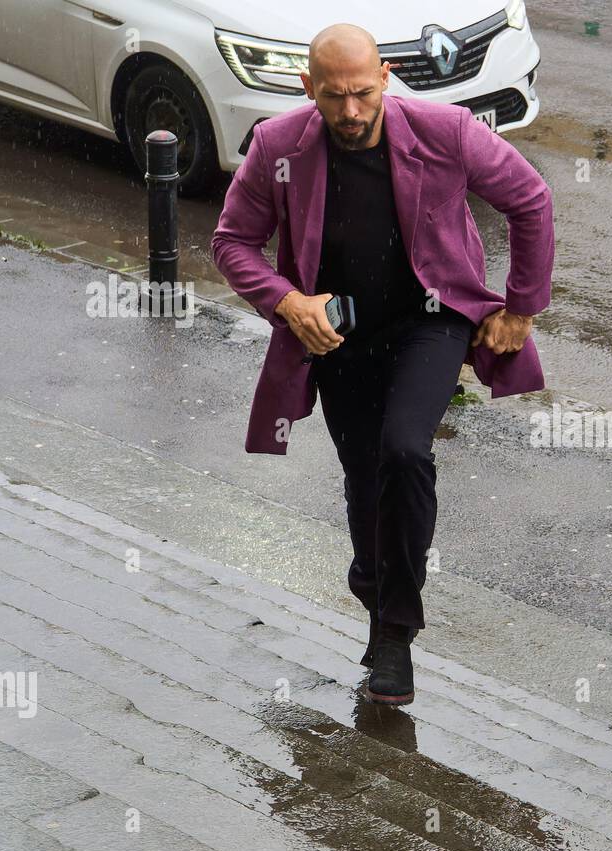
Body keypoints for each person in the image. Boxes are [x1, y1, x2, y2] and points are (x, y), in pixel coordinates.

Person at [212, 24, 553, 706]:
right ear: (308, 88)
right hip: (339, 332)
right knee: (365, 478)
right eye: (334, 97)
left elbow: (530, 200)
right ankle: (376, 592)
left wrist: (520, 306)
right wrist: (286, 301)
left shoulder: (446, 130)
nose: (352, 111)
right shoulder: (279, 145)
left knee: (404, 452)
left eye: (364, 93)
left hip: (431, 320)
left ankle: (394, 632)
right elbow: (232, 242)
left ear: (387, 78)